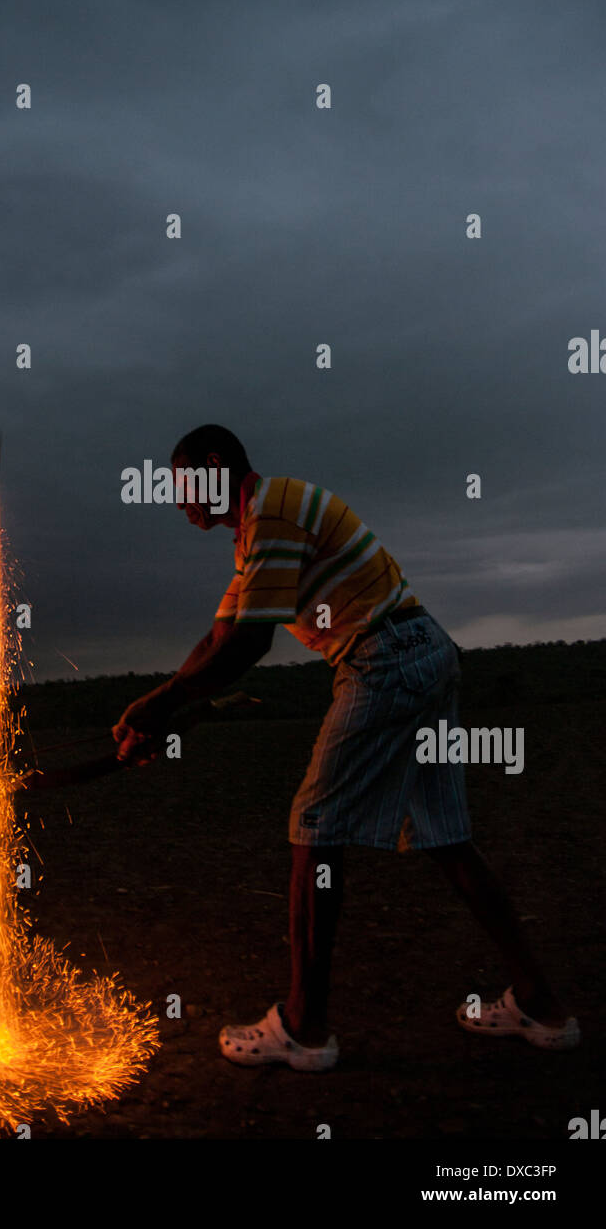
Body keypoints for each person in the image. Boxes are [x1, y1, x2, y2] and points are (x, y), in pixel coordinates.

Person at [113, 424, 579, 1071]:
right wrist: (156, 711)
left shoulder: (272, 512)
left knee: (314, 826)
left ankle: (302, 1029)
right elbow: (217, 640)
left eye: (182, 484)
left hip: (382, 659)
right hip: (425, 651)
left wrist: (159, 707)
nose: (177, 501)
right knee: (444, 836)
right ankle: (540, 1006)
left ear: (215, 466)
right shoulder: (257, 534)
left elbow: (248, 646)